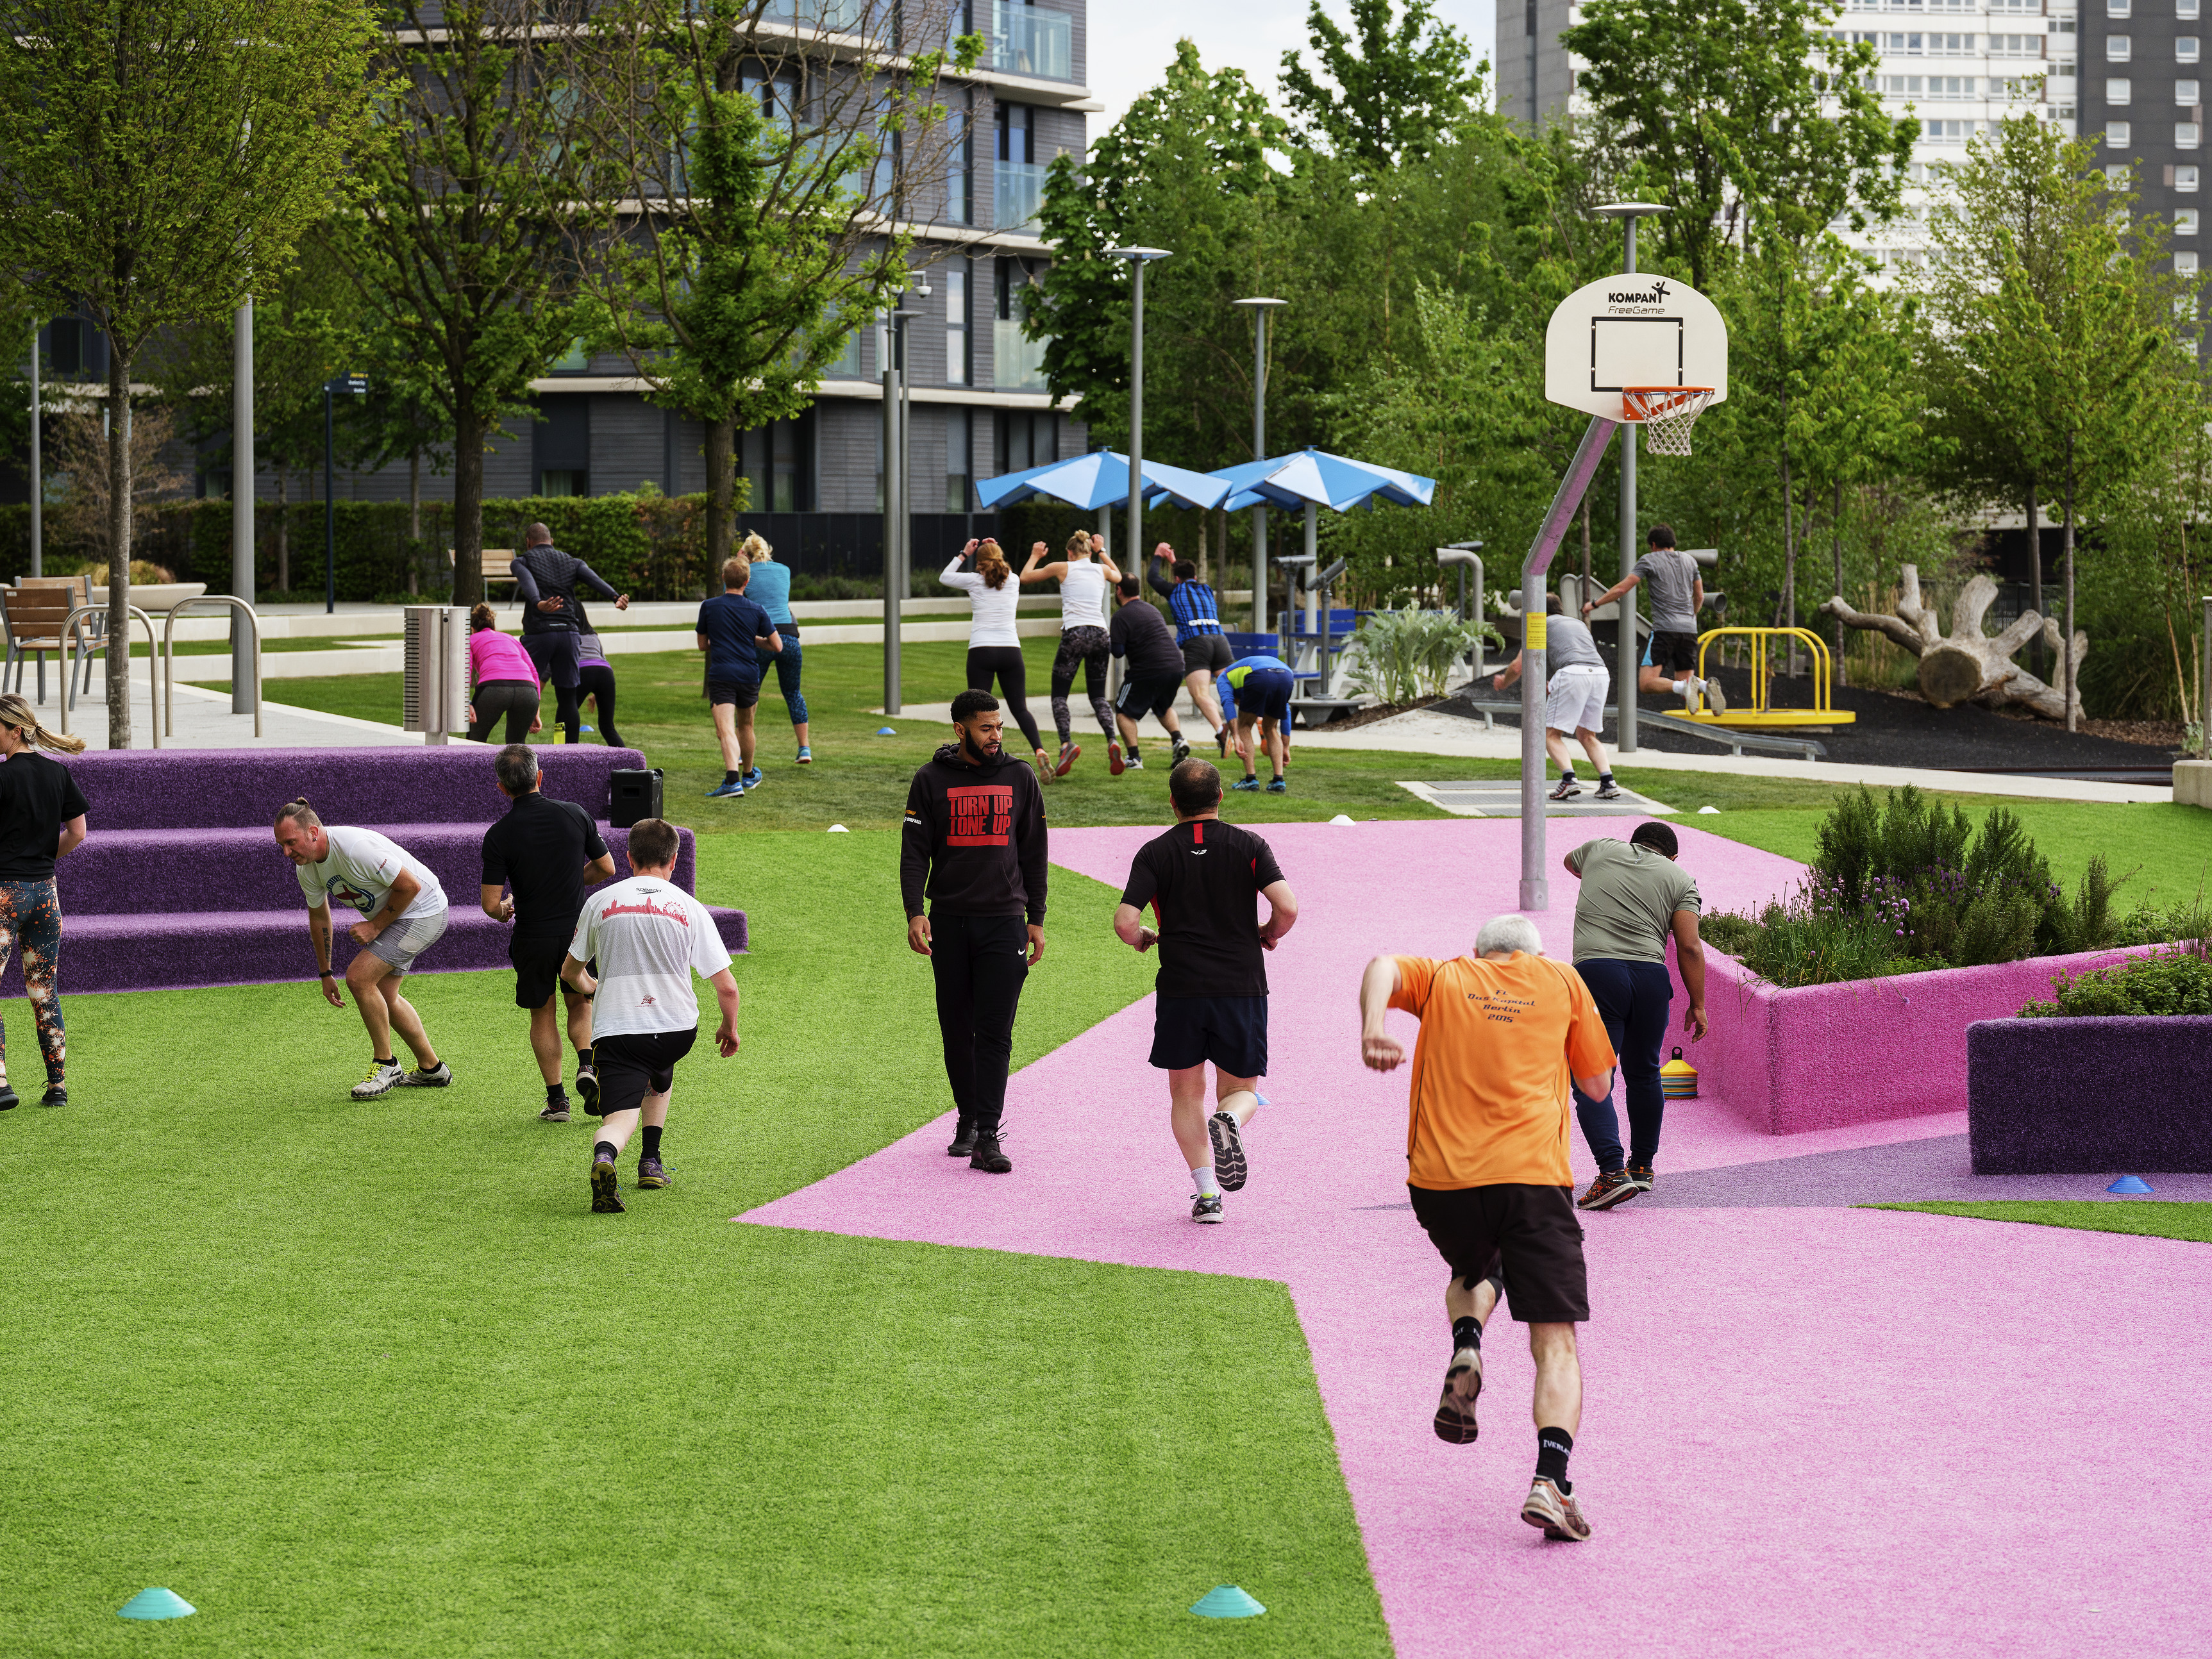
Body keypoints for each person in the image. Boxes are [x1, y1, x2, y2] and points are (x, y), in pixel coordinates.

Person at [1359, 913, 1617, 1543]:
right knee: (1555, 1341)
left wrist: (1374, 1028)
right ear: (1535, 952)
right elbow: (1597, 1083)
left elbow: (1382, 966)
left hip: (1442, 1183)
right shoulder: (1562, 980)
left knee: (1475, 1268)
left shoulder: (1447, 975)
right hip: (1533, 1180)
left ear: (1479, 950)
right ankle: (1550, 1478)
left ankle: (1468, 1337)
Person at [1113, 759, 1297, 1222]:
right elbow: (1288, 907)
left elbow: (1125, 923)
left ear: (1172, 802)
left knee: (1185, 1093)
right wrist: (1268, 932)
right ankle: (1231, 1119)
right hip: (1240, 985)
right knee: (1240, 1090)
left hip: (1181, 988)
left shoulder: (1154, 853)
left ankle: (1208, 1195)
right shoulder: (1250, 845)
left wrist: (1144, 939)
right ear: (1220, 797)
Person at [901, 689, 1048, 1175]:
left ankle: (988, 1133)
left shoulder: (1020, 776)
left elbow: (1034, 853)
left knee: (996, 1033)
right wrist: (914, 911)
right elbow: (914, 851)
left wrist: (1037, 917)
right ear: (961, 730)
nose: (996, 736)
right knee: (956, 1029)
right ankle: (966, 1119)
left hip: (1004, 922)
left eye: (999, 727)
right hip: (949, 921)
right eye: (986, 728)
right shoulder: (930, 779)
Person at [562, 817, 741, 1212]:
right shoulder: (690, 908)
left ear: (628, 857)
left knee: (619, 1117)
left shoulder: (599, 903)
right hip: (677, 1031)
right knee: (659, 1065)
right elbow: (727, 986)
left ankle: (607, 1156)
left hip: (619, 1031)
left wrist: (596, 987)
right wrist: (729, 1028)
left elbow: (570, 973)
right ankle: (651, 1161)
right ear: (674, 860)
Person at [1564, 821, 1709, 1210]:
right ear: (1672, 856)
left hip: (1598, 975)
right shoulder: (1681, 878)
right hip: (1650, 978)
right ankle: (1642, 1167)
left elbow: (1569, 863)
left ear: (1634, 843)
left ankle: (1612, 1173)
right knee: (1644, 1071)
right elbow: (1690, 947)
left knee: (1594, 1076)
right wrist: (1698, 1004)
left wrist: (1599, 877)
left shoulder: (1599, 850)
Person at [276, 799, 453, 1100]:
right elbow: (319, 917)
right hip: (402, 917)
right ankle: (432, 1068)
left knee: (359, 979)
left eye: (291, 843)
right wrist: (325, 972)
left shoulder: (355, 848)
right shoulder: (307, 869)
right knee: (384, 995)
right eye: (281, 845)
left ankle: (386, 1064)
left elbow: (411, 886)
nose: (286, 852)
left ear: (313, 833)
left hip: (425, 912)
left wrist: (375, 926)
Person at [480, 743, 617, 1122]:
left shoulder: (499, 835)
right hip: (578, 932)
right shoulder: (574, 814)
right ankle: (587, 1065)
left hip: (532, 937)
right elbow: (606, 868)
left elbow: (492, 906)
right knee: (580, 1003)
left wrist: (510, 906)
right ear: (540, 777)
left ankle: (558, 1102)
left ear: (502, 789)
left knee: (542, 1014)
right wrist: (573, 883)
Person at [0, 693, 87, 1110]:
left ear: (15, 730)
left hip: (4, 895)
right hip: (46, 896)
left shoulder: (2, 778)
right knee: (44, 991)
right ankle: (57, 1087)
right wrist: (41, 860)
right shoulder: (58, 775)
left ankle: (1, 1084)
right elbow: (78, 832)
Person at [1579, 522, 1727, 714]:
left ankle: (1684, 687)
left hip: (1665, 631)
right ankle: (1706, 686)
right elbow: (1699, 596)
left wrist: (1595, 604)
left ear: (1654, 544)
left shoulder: (1649, 560)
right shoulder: (1690, 561)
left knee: (1647, 683)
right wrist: (1691, 616)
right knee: (1687, 688)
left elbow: (1622, 589)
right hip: (1689, 630)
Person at [1490, 593, 1621, 802]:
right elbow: (1573, 654)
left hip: (1571, 674)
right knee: (1588, 735)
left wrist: (1503, 682)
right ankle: (1608, 783)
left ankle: (1569, 780)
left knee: (1549, 733)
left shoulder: (1540, 624)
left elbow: (1517, 666)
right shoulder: (1577, 623)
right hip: (1599, 674)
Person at [511, 522, 633, 744]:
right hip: (569, 634)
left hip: (540, 634)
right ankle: (571, 753)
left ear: (528, 543)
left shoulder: (522, 561)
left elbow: (527, 582)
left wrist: (538, 603)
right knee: (567, 698)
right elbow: (593, 579)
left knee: (526, 689)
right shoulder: (572, 561)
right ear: (552, 542)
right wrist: (615, 597)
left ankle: (516, 754)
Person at [943, 538, 1050, 778]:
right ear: (1000, 556)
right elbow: (1002, 566)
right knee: (1020, 708)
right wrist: (994, 549)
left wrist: (964, 553)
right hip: (1011, 650)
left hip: (982, 650)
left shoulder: (975, 580)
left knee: (976, 713)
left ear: (979, 561)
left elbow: (945, 577)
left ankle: (976, 758)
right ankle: (1040, 749)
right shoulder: (1013, 580)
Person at [1020, 531, 1120, 776]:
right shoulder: (1101, 570)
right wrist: (1103, 552)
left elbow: (1024, 578)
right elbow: (1118, 577)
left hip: (1075, 634)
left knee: (1059, 696)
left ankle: (1066, 744)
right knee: (1098, 696)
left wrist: (1035, 556)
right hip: (1100, 634)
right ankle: (1112, 740)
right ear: (1089, 551)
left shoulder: (1062, 567)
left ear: (1069, 552)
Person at [695, 556, 785, 799]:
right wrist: (751, 639)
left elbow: (703, 645)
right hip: (749, 675)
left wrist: (725, 641)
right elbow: (777, 646)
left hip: (723, 674)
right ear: (747, 582)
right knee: (746, 725)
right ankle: (748, 775)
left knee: (726, 730)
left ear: (724, 578)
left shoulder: (709, 606)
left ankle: (732, 781)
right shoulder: (757, 609)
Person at [1146, 546, 1230, 752]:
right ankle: (1259, 722)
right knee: (1234, 689)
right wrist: (1174, 561)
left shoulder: (1174, 590)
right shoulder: (1207, 589)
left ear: (1176, 579)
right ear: (1194, 575)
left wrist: (1158, 555)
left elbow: (1152, 578)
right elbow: (1184, 576)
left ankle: (1222, 731)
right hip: (1220, 640)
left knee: (1201, 693)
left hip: (1197, 642)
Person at [1108, 576, 1193, 772]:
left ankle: (1134, 758)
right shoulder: (1151, 609)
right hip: (1176, 665)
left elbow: (1118, 652)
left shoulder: (1121, 616)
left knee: (1122, 711)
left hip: (1148, 669)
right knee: (1163, 706)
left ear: (1119, 590)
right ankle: (1179, 740)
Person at [741, 531, 810, 763]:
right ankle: (805, 748)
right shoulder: (784, 570)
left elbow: (735, 600)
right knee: (793, 693)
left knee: (750, 694)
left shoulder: (745, 573)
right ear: (767, 550)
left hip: (762, 639)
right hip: (790, 638)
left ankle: (742, 752)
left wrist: (740, 561)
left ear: (746, 553)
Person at [465, 603, 544, 746]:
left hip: (494, 688)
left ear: (473, 629)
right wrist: (536, 708)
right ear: (494, 628)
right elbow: (533, 672)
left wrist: (467, 703)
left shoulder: (471, 640)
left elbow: (466, 671)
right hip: (527, 690)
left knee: (474, 742)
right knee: (517, 747)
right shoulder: (510, 638)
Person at [1222, 651, 1294, 793]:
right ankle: (1279, 781)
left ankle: (1250, 780)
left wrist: (1236, 736)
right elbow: (1286, 711)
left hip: (1259, 676)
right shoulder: (1241, 675)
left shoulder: (1224, 678)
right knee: (1271, 728)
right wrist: (1286, 747)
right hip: (1287, 675)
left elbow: (1228, 702)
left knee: (1244, 726)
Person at [571, 624, 623, 749]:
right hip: (605, 674)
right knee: (608, 727)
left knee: (565, 720)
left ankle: (566, 759)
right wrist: (598, 692)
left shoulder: (568, 633)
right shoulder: (593, 634)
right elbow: (602, 659)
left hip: (582, 671)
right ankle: (629, 763)